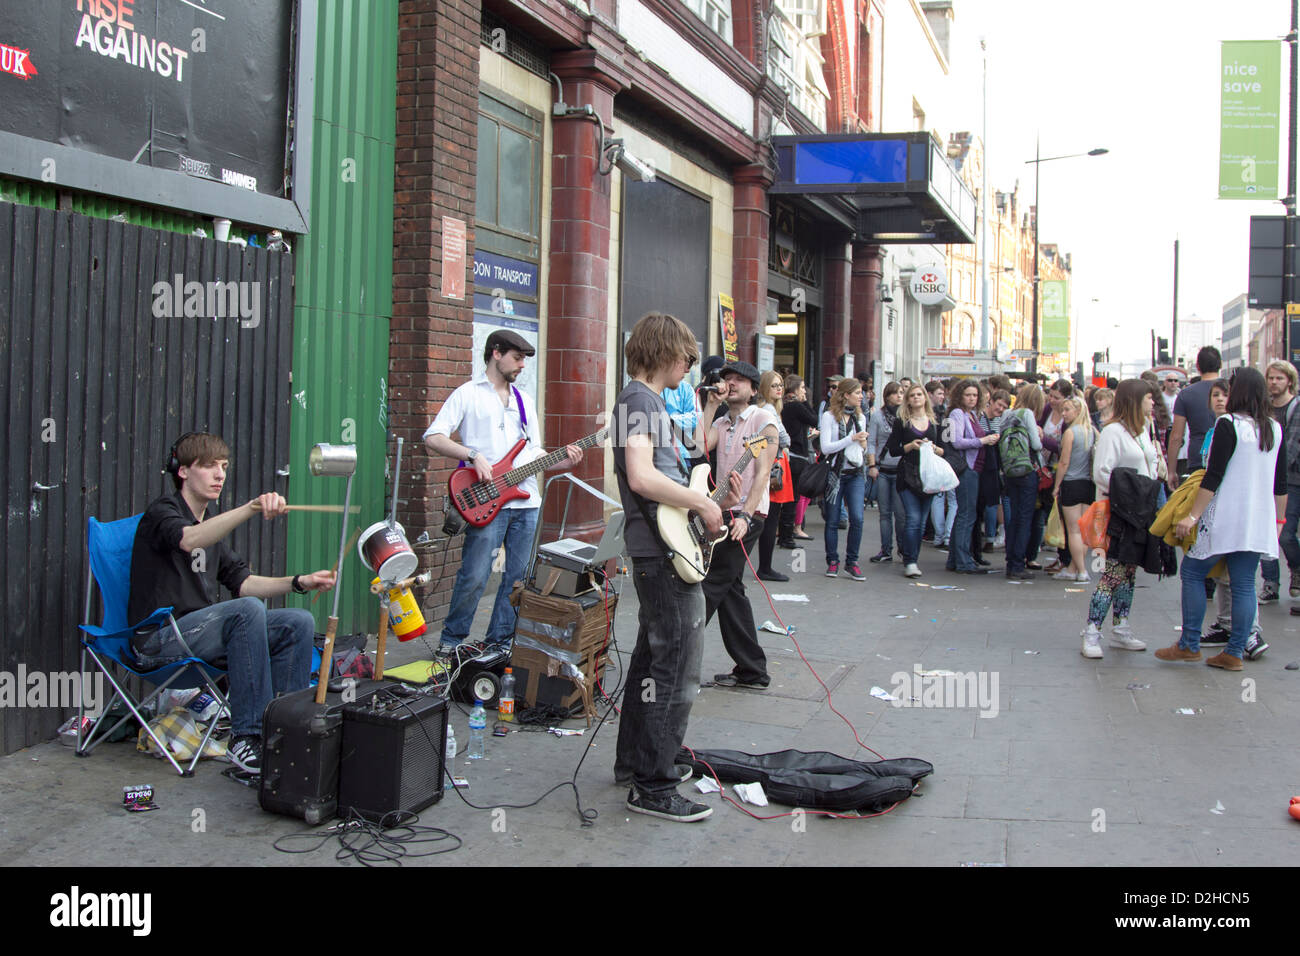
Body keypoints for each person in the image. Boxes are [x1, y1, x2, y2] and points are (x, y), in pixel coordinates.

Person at [129, 432, 338, 773]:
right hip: (158, 640)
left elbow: (244, 583)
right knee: (246, 612)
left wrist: (300, 582)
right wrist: (252, 508)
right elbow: (188, 540)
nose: (220, 475)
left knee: (297, 622)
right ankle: (246, 738)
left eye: (224, 467)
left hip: (198, 636)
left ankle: (285, 733)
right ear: (182, 471)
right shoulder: (163, 512)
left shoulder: (209, 530)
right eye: (209, 466)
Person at [611, 312, 729, 822]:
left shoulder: (645, 401)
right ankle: (653, 786)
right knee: (678, 668)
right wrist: (702, 506)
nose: (689, 365)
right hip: (661, 553)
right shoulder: (638, 400)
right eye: (685, 355)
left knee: (651, 659)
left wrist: (702, 492)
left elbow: (665, 471)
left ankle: (636, 761)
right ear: (664, 352)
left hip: (658, 549)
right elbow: (640, 476)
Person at [423, 330, 583, 655]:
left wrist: (562, 460)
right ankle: (450, 642)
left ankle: (498, 642)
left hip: (526, 502)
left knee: (517, 580)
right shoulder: (468, 394)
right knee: (475, 575)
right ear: (496, 353)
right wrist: (471, 455)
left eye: (524, 359)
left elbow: (535, 455)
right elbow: (433, 436)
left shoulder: (524, 402)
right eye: (517, 357)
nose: (522, 365)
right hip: (485, 499)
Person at [1156, 368, 1286, 670]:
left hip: (1225, 513)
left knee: (1192, 572)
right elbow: (1280, 483)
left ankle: (1189, 644)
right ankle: (1235, 652)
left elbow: (1213, 477)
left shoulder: (1229, 425)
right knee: (1244, 584)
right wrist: (1278, 523)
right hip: (1258, 518)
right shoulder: (1273, 428)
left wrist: (1192, 515)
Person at [701, 360, 780, 688]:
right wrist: (710, 405)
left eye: (738, 380)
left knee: (710, 584)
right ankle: (752, 670)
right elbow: (699, 445)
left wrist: (747, 516)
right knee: (731, 591)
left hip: (747, 515)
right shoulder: (723, 421)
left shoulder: (763, 420)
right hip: (724, 510)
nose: (730, 384)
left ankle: (671, 652)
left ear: (752, 389)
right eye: (726, 379)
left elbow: (763, 471)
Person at [1079, 380, 1159, 658]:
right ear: (1135, 401)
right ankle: (1091, 632)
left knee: (1128, 571)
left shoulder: (1144, 429)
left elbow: (1151, 462)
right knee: (1111, 574)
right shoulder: (1113, 432)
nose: (1152, 403)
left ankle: (1121, 627)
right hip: (1117, 512)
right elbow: (1102, 471)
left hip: (1139, 512)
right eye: (1148, 398)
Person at [887, 383, 944, 578]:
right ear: (908, 400)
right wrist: (911, 445)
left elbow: (945, 450)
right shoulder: (901, 421)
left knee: (920, 523)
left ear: (925, 398)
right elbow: (893, 449)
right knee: (913, 518)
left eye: (919, 394)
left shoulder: (935, 421)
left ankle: (913, 558)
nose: (916, 398)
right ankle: (910, 561)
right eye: (912, 395)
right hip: (908, 475)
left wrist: (934, 448)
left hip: (929, 475)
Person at [945, 379, 999, 574]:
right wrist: (983, 440)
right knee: (966, 515)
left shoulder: (972, 415)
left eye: (975, 395)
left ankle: (955, 559)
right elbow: (957, 442)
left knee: (966, 514)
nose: (972, 398)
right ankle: (962, 560)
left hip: (974, 468)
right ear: (960, 395)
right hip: (965, 469)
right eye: (968, 395)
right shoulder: (957, 413)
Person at [1258, 360, 1300, 603]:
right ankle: (1270, 583)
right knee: (1266, 531)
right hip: (1267, 477)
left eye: (1279, 378)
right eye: (1271, 378)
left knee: (1284, 533)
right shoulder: (1263, 407)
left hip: (1290, 480)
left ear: (1289, 381)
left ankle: (1296, 568)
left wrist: (1274, 474)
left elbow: (1291, 446)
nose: (1274, 383)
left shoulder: (1296, 407)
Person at [820, 377, 869, 579]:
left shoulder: (861, 418)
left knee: (857, 518)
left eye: (861, 393)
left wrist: (863, 446)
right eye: (857, 393)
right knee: (832, 520)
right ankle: (833, 561)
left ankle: (852, 561)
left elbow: (860, 450)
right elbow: (825, 448)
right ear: (846, 395)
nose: (861, 396)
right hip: (835, 474)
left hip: (856, 473)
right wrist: (851, 438)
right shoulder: (829, 417)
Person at [1051, 395, 1097, 582]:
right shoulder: (1092, 431)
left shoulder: (1071, 433)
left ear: (1078, 411)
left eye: (1067, 410)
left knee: (1073, 530)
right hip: (1088, 483)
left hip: (1071, 482)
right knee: (1083, 530)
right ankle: (1073, 569)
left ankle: (1082, 570)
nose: (1064, 414)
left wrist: (1056, 486)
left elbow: (1064, 462)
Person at [1003, 383, 1045, 580]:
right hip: (1027, 470)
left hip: (1010, 470)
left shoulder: (1007, 414)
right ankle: (1018, 564)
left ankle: (1010, 560)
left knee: (1013, 517)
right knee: (1025, 518)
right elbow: (1036, 445)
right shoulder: (1027, 414)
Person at [755, 370, 793, 582]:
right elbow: (784, 438)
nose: (779, 388)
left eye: (780, 385)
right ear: (764, 388)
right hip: (774, 465)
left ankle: (765, 566)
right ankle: (765, 567)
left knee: (768, 516)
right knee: (770, 517)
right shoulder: (769, 410)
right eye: (774, 385)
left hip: (773, 464)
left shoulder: (770, 409)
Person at [1167, 346, 1222, 483]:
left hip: (1198, 457)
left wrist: (1171, 471)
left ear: (1198, 366)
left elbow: (1176, 436)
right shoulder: (1229, 390)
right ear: (1220, 365)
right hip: (1226, 455)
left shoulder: (1186, 394)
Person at [868, 381, 906, 563]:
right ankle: (886, 550)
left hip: (901, 469)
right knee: (884, 513)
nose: (899, 396)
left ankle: (903, 548)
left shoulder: (906, 416)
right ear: (887, 395)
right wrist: (872, 465)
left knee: (900, 513)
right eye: (895, 393)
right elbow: (871, 442)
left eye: (901, 392)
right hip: (883, 469)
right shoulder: (878, 416)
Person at [780, 375, 819, 542]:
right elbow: (814, 419)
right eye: (802, 387)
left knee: (789, 496)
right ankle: (787, 535)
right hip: (796, 454)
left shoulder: (785, 404)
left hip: (791, 453)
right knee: (792, 496)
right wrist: (804, 402)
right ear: (795, 389)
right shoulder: (796, 405)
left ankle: (785, 533)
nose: (804, 391)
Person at [980, 387, 1011, 551]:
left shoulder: (1002, 420)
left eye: (1004, 407)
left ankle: (990, 538)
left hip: (995, 465)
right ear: (991, 401)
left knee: (993, 501)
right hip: (980, 463)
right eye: (999, 405)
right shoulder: (979, 416)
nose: (1000, 409)